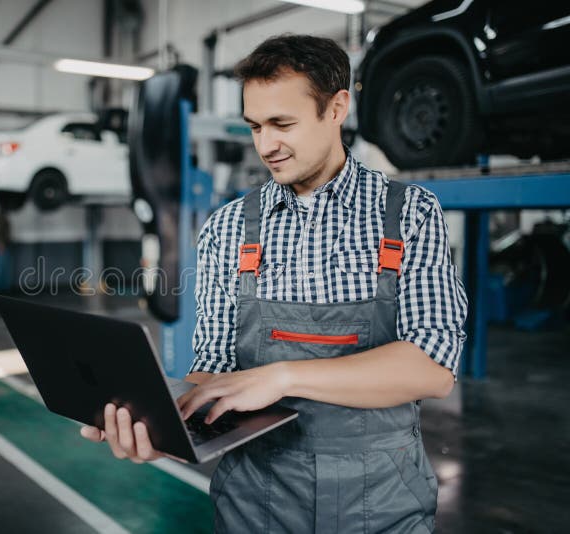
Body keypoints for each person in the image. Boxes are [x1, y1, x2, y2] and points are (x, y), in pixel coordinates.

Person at [81, 34, 467, 533]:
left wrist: (284, 375)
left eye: (283, 124)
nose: (266, 145)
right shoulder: (227, 228)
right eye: (255, 126)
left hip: (381, 505)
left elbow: (432, 366)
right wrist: (164, 424)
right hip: (254, 506)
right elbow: (214, 371)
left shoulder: (410, 214)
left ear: (337, 109)